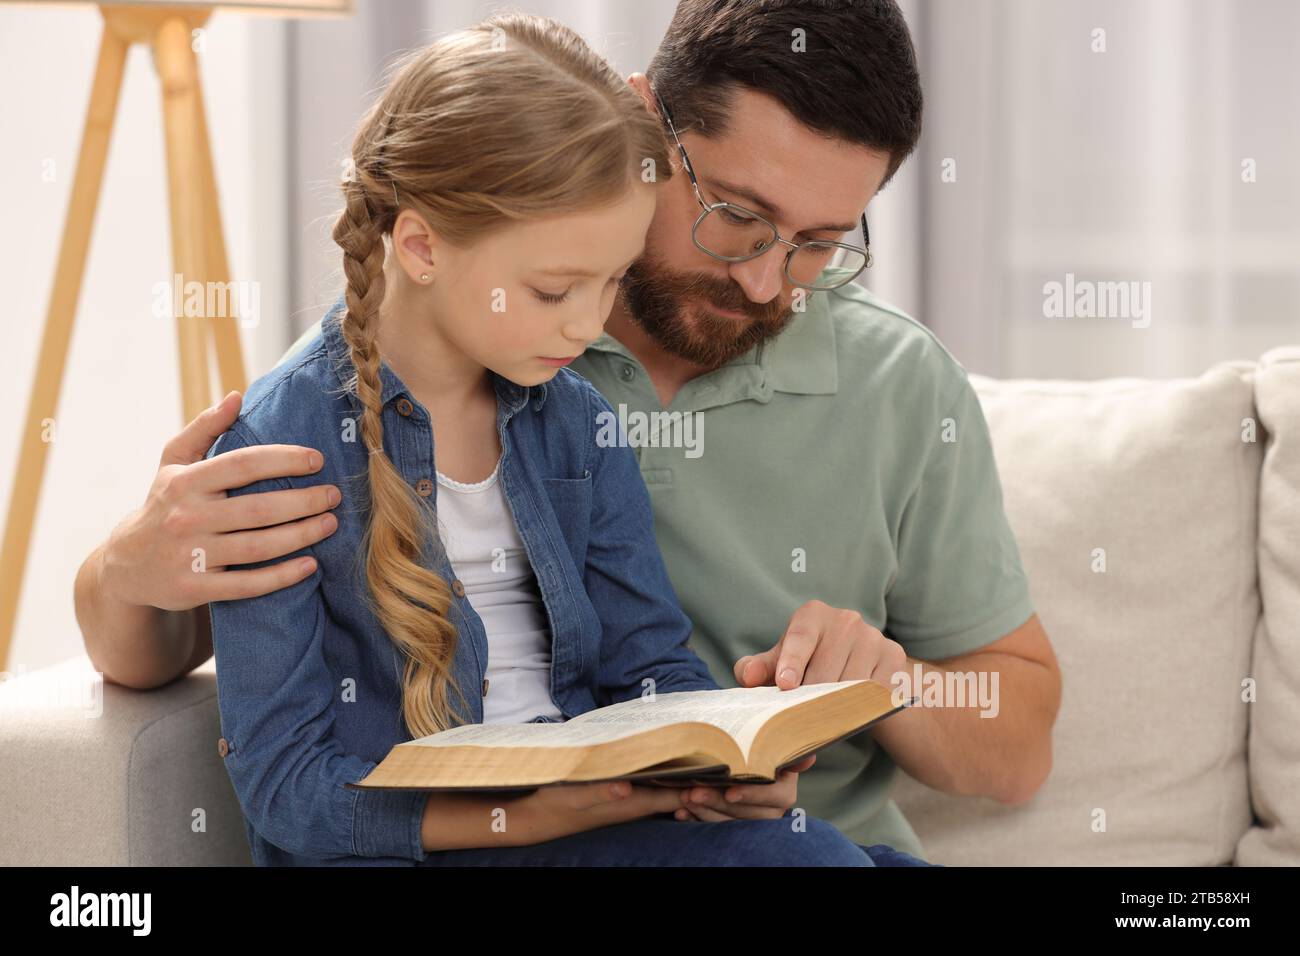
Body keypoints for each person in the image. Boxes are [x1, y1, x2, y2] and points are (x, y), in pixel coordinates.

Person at [75, 0, 1060, 863]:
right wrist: (122, 569)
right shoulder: (437, 356)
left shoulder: (887, 382)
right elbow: (238, 701)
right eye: (736, 216)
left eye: (815, 246)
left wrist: (869, 695)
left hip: (732, 831)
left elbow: (1014, 744)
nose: (767, 281)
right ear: (644, 127)